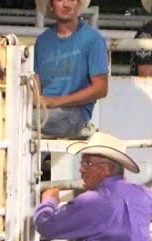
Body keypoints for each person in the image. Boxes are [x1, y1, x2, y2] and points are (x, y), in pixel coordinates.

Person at [35, 0, 110, 140]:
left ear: (78, 4)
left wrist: (55, 101)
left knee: (24, 122)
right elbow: (35, 83)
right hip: (46, 111)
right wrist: (37, 101)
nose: (66, 4)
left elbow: (101, 88)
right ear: (51, 5)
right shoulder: (42, 41)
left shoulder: (93, 39)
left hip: (76, 113)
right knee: (22, 121)